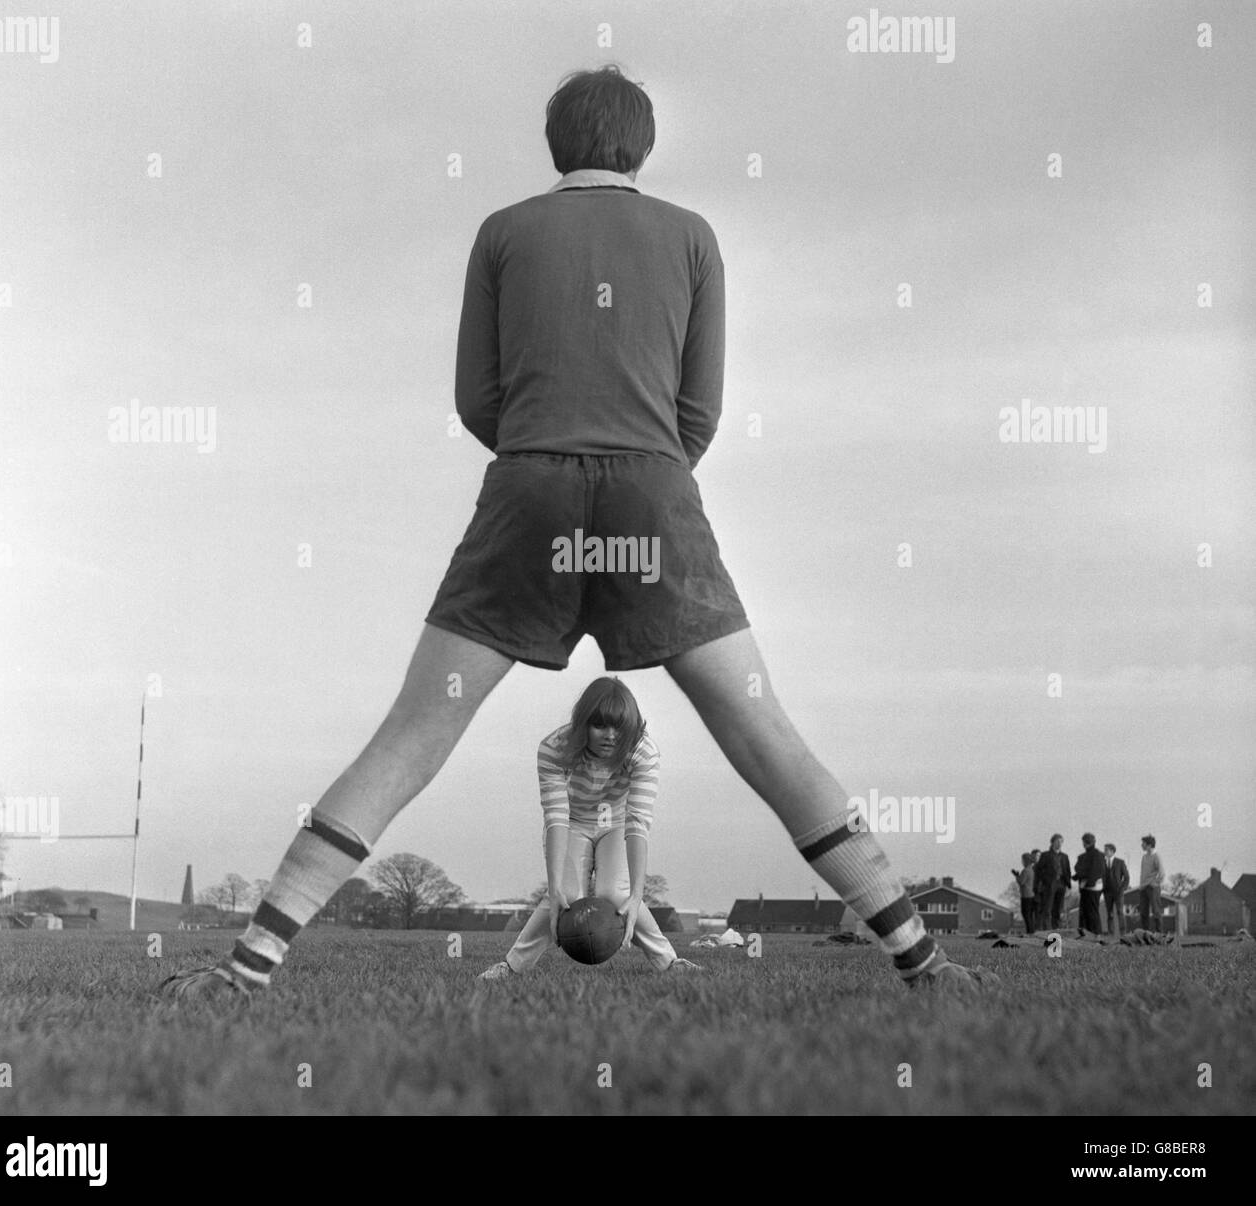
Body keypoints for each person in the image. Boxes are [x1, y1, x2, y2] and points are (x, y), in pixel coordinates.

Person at [161, 64, 994, 1002]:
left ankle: (244, 973)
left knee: (410, 739)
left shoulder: (504, 232)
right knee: (767, 736)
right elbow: (700, 411)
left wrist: (545, 455)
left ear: (553, 142)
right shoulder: (693, 237)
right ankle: (926, 961)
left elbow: (477, 398)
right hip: (654, 501)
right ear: (642, 147)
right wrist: (639, 469)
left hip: (529, 497)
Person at [478, 678, 699, 979]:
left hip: (617, 823)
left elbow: (638, 822)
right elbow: (555, 816)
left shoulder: (643, 752)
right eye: (599, 726)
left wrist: (635, 894)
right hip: (573, 822)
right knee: (566, 894)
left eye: (618, 727)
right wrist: (554, 888)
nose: (610, 736)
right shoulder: (554, 749)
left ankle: (671, 964)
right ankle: (512, 966)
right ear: (583, 724)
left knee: (615, 893)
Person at [1035, 834, 1072, 931]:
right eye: (1057, 841)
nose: (1059, 843)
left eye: (1061, 841)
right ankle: (1047, 930)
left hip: (1061, 884)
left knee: (1058, 909)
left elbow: (1067, 871)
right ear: (1052, 842)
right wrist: (1043, 881)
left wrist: (1068, 885)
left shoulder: (1065, 856)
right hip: (1049, 885)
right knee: (1047, 908)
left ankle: (1056, 930)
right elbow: (1038, 871)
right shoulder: (1045, 855)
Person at [1073, 833, 1106, 937]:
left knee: (1091, 911)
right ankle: (1089, 934)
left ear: (1085, 842)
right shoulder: (1097, 855)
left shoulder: (1094, 855)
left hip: (1092, 887)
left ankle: (1095, 934)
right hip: (1089, 886)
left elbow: (1096, 871)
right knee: (1087, 911)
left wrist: (1085, 880)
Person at [1102, 842, 1129, 939]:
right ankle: (1111, 934)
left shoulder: (1120, 862)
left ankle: (1123, 934)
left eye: (1106, 850)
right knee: (1109, 913)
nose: (1104, 851)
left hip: (1118, 892)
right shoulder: (1102, 862)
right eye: (1104, 850)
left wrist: (1122, 889)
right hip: (1107, 892)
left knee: (1120, 912)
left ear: (1112, 851)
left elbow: (1126, 878)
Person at [1139, 835, 1164, 932]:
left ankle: (1159, 934)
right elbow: (1143, 872)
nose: (1142, 845)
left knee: (1156, 911)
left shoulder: (1156, 856)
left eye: (1143, 844)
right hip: (1143, 888)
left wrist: (1155, 883)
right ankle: (1145, 933)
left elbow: (1162, 873)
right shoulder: (1144, 857)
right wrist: (1141, 885)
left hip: (1152, 888)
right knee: (1143, 912)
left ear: (1149, 845)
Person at [1012, 852, 1037, 934]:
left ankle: (1030, 932)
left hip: (1026, 896)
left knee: (1026, 915)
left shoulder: (1025, 871)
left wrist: (1016, 876)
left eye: (1022, 860)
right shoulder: (1032, 870)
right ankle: (1032, 931)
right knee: (1030, 915)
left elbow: (1021, 881)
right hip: (1032, 895)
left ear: (1026, 861)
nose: (1022, 862)